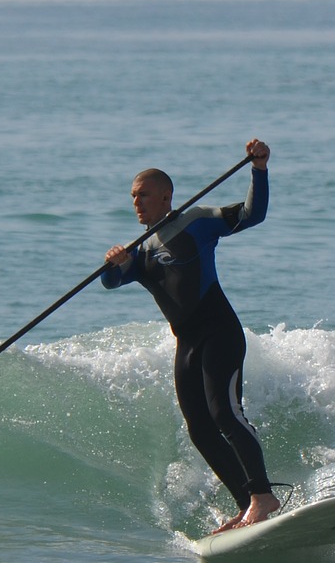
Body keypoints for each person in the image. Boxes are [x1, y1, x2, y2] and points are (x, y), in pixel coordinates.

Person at [103, 139, 279, 532]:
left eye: (144, 195)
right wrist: (113, 264)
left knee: (226, 415)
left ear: (166, 196)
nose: (137, 203)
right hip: (187, 345)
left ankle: (263, 495)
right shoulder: (141, 251)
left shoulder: (196, 221)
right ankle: (247, 505)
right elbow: (111, 282)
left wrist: (259, 168)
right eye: (133, 197)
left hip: (219, 333)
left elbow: (253, 215)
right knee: (199, 429)